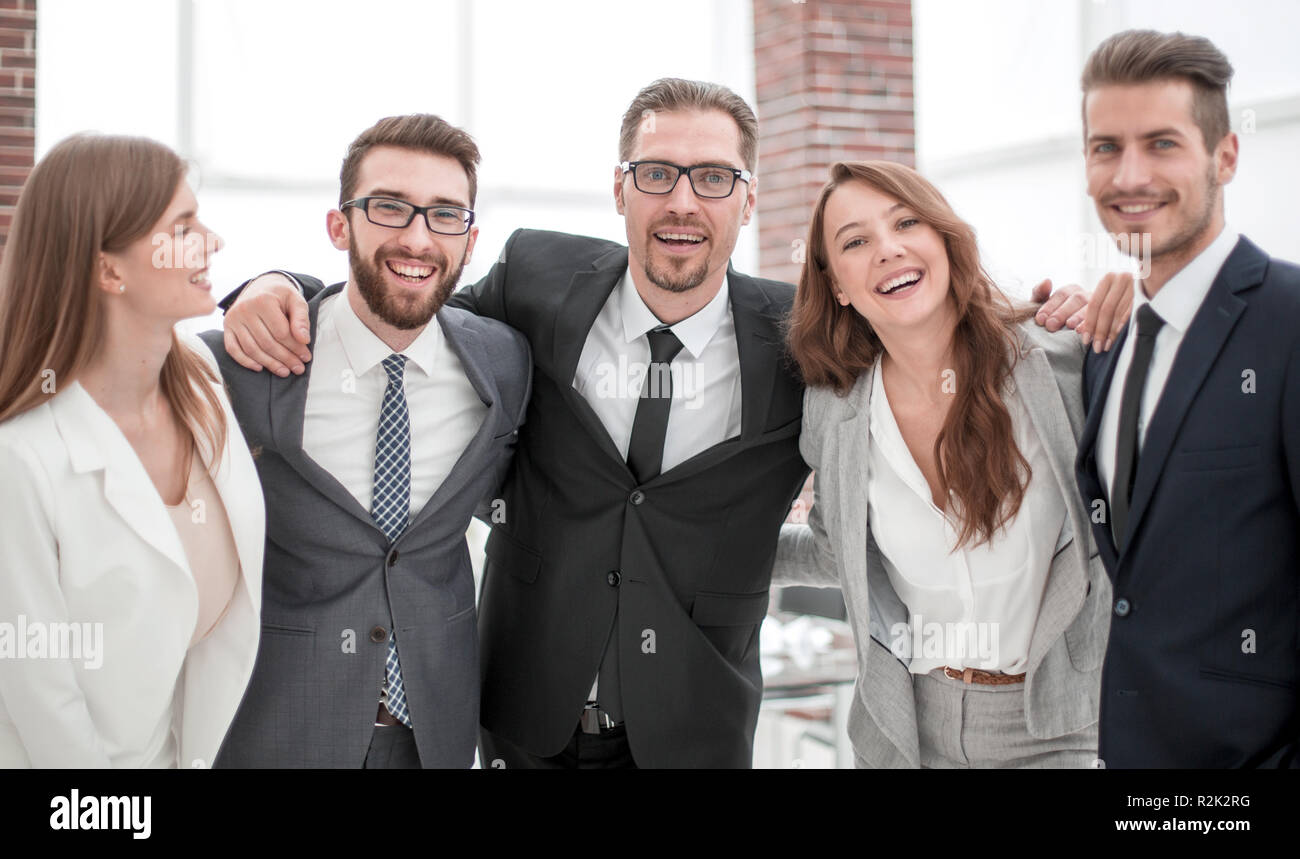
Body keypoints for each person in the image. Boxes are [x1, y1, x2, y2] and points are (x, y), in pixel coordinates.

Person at [221, 80, 1104, 768]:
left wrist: (1045, 312)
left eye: (714, 177)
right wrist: (275, 285)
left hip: (694, 730)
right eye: (658, 174)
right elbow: (409, 300)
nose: (684, 200)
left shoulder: (798, 347)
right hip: (522, 713)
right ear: (620, 189)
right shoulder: (537, 282)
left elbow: (915, 325)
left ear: (746, 202)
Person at [202, 115, 531, 769]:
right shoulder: (243, 365)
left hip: (432, 736)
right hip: (277, 729)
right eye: (390, 208)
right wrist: (268, 282)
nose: (417, 238)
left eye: (444, 215)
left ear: (470, 240)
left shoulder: (505, 366)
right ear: (339, 224)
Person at [775, 159, 1116, 768]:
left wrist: (1130, 313)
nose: (887, 249)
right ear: (838, 287)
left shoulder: (1060, 363)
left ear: (944, 240)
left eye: (906, 222)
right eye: (855, 241)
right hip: (904, 731)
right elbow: (834, 549)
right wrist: (695, 552)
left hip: (1057, 729)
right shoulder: (837, 408)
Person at [1073, 30, 1300, 767]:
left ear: (1225, 155)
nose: (1128, 175)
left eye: (1161, 144)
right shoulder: (1106, 343)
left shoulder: (1289, 321)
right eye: (1106, 147)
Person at [0, 133, 264, 768]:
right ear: (109, 269)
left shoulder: (201, 376)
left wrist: (274, 284)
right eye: (183, 226)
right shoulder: (23, 461)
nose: (213, 241)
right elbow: (45, 710)